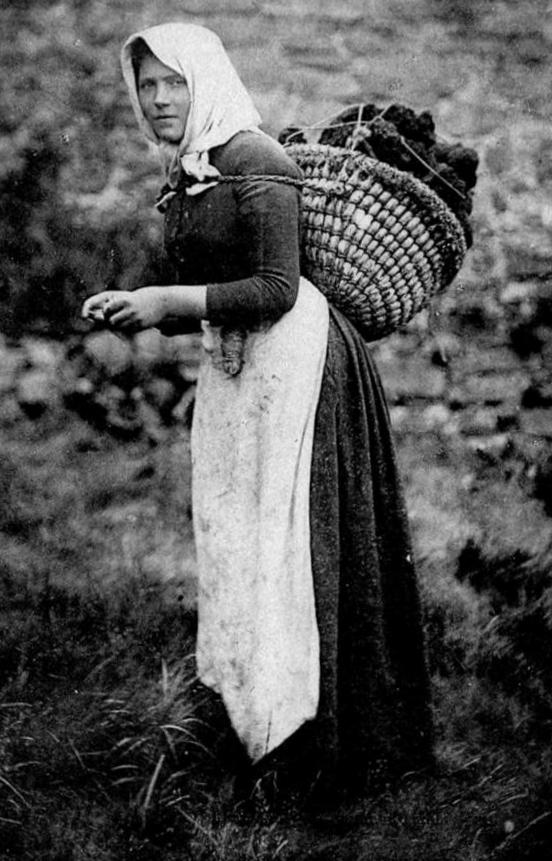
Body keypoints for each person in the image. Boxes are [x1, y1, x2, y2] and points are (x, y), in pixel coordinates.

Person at [82, 21, 433, 801]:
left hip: (299, 369)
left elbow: (275, 289)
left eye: (174, 81)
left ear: (204, 79)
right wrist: (142, 311)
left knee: (292, 546)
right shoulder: (187, 170)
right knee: (239, 538)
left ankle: (324, 752)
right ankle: (249, 732)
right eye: (148, 85)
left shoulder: (255, 161)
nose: (161, 98)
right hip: (240, 367)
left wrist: (165, 300)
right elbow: (219, 285)